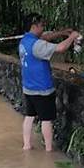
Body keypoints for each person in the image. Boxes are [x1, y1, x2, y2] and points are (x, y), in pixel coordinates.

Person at [19, 13, 79, 151]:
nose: (43, 28)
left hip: (28, 88)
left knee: (29, 116)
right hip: (42, 89)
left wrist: (62, 32)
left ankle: (26, 145)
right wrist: (72, 37)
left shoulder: (25, 41)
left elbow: (44, 37)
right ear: (34, 26)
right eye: (41, 25)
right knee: (46, 119)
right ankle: (48, 149)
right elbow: (60, 48)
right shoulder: (37, 46)